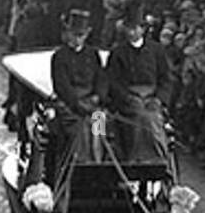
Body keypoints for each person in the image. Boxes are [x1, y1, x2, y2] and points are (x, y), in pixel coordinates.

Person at [106, 10, 173, 162]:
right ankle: (134, 159)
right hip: (129, 101)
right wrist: (127, 98)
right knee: (137, 118)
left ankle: (158, 159)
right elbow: (113, 81)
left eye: (135, 28)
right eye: (128, 29)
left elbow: (166, 78)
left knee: (153, 118)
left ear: (142, 29)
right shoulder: (118, 52)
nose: (131, 32)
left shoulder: (157, 50)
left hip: (152, 98)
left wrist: (159, 99)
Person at [49, 10, 108, 173]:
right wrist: (78, 105)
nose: (77, 39)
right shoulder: (59, 56)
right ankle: (80, 167)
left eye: (81, 35)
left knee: (100, 128)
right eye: (74, 35)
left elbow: (101, 79)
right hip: (69, 106)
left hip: (92, 103)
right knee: (79, 128)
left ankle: (99, 165)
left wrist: (98, 97)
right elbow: (62, 87)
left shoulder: (93, 54)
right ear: (68, 33)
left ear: (87, 34)